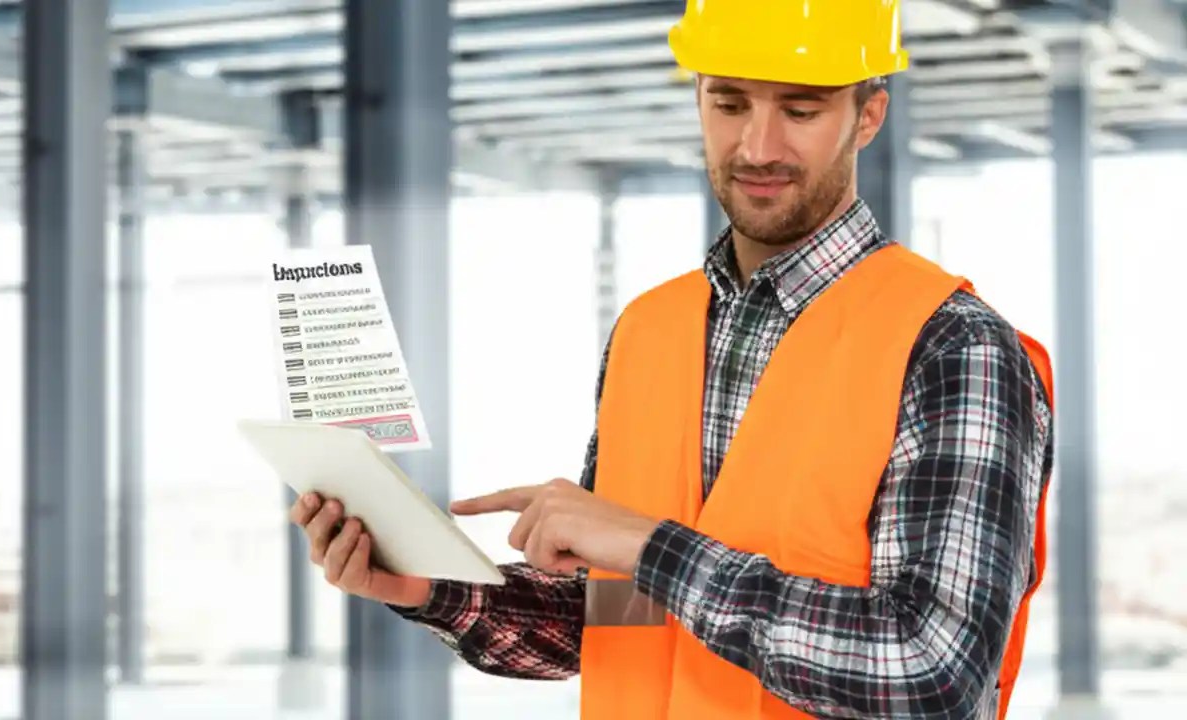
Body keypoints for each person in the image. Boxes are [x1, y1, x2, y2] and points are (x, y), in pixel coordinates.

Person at [288, 2, 1056, 718]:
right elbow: (628, 614)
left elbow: (932, 670)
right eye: (729, 104)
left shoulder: (953, 347)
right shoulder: (650, 330)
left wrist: (650, 544)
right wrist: (429, 586)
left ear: (868, 116)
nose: (758, 146)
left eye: (800, 108)